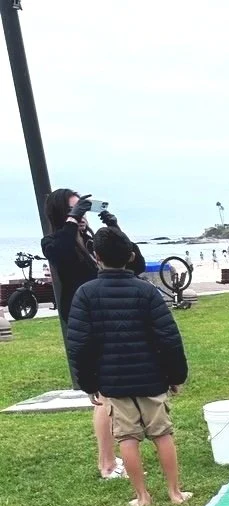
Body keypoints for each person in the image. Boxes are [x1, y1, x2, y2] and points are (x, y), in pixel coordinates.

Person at [65, 225, 189, 506]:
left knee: (127, 438)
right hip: (152, 379)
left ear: (96, 257)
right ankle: (175, 493)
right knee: (162, 434)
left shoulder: (85, 294)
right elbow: (169, 337)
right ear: (131, 256)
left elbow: (79, 345)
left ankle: (142, 497)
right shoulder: (146, 291)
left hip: (113, 382)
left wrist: (88, 383)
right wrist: (176, 375)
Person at [41, 187, 145, 480]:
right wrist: (72, 222)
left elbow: (133, 263)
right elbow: (59, 252)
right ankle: (108, 463)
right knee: (104, 393)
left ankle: (112, 460)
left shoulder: (90, 241)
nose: (82, 215)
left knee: (113, 391)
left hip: (109, 317)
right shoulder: (55, 242)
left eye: (83, 210)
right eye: (75, 209)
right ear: (62, 213)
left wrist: (115, 228)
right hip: (85, 320)